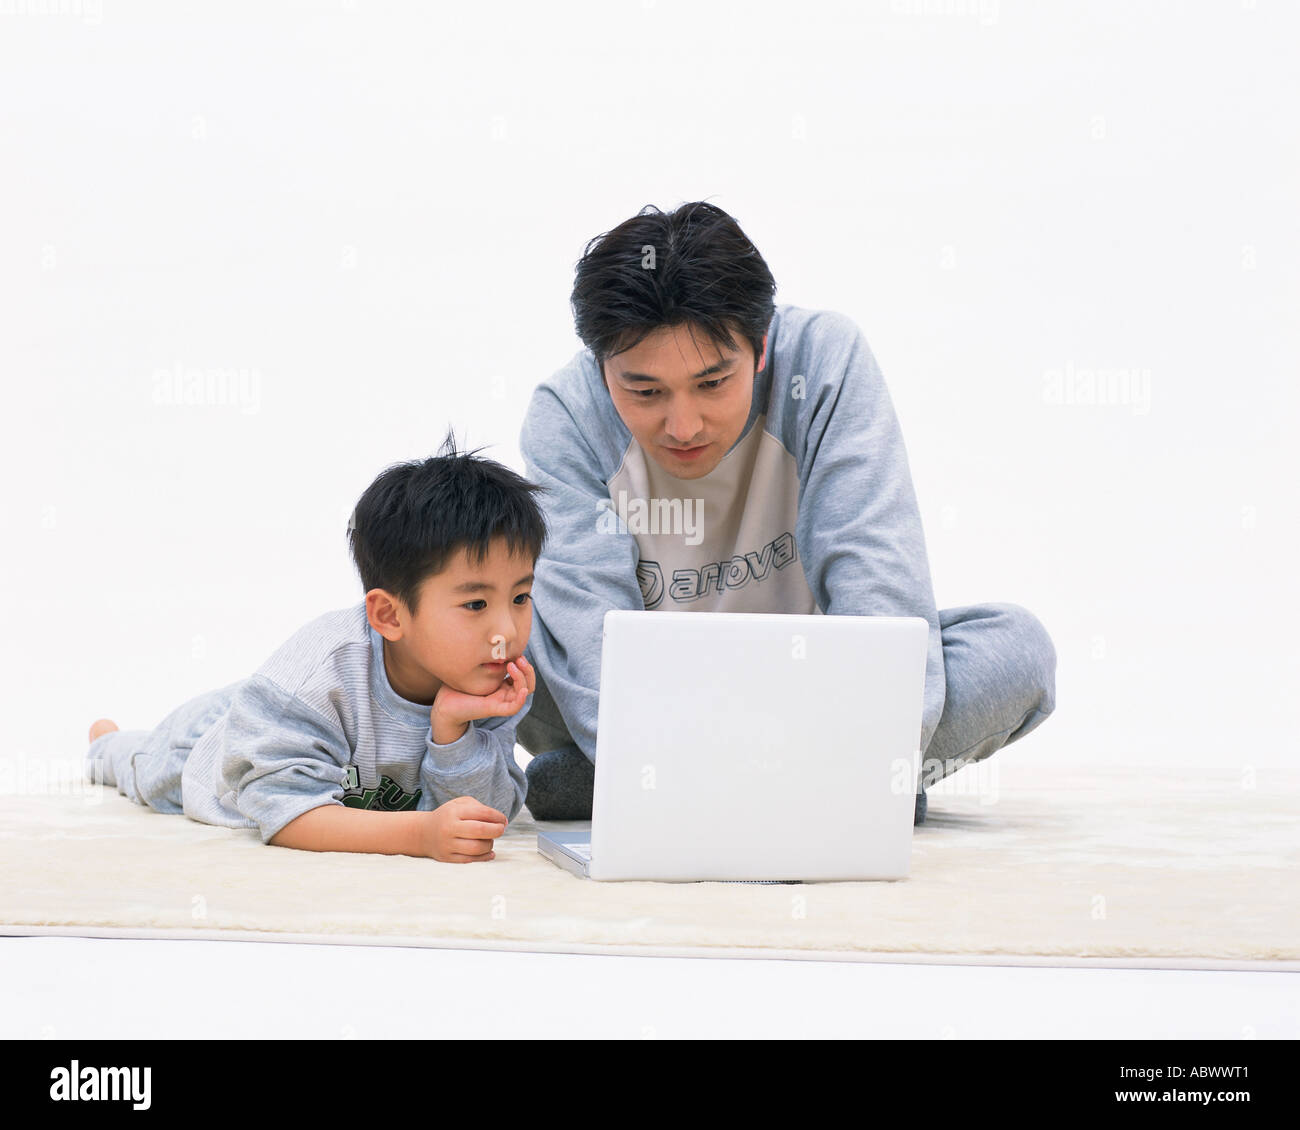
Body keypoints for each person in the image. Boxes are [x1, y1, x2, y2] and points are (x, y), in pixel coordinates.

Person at [516, 200, 1057, 825]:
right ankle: (840, 784)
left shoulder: (825, 361)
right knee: (495, 645)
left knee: (1015, 650)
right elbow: (594, 651)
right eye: (644, 392)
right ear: (599, 365)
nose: (683, 425)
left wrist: (876, 724)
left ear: (762, 346)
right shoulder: (566, 413)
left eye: (713, 383)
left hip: (811, 688)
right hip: (653, 705)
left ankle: (626, 783)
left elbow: (882, 598)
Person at [84, 433, 546, 862]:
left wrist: (453, 733)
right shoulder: (320, 678)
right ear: (389, 615)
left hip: (298, 729)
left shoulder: (490, 675)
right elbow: (288, 815)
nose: (505, 629)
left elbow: (483, 816)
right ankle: (107, 741)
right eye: (476, 603)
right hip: (219, 740)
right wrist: (420, 836)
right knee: (146, 771)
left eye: (520, 597)